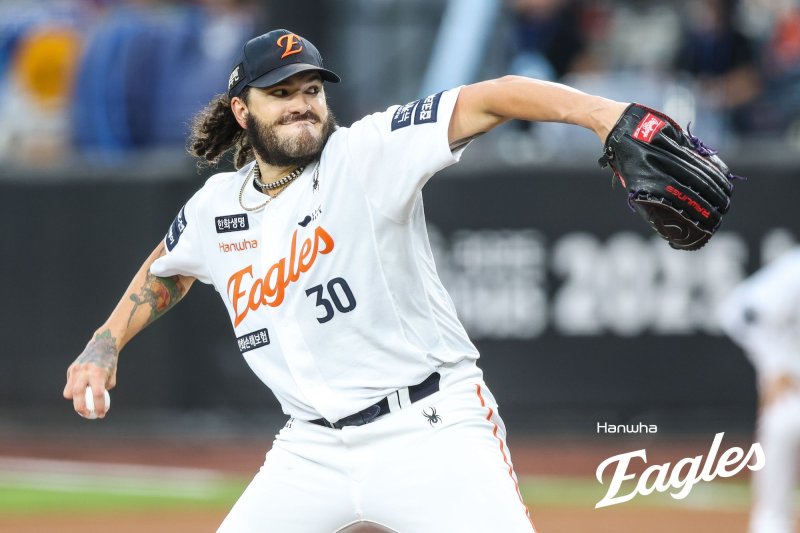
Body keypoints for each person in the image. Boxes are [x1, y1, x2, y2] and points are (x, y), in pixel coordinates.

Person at [63, 28, 627, 532]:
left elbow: (492, 97)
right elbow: (168, 269)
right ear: (242, 111)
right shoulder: (217, 206)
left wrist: (604, 116)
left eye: (311, 90)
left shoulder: (366, 154)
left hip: (428, 428)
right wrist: (103, 344)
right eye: (280, 93)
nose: (301, 105)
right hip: (310, 448)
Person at [719, 248, 800, 533]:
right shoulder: (795, 271)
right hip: (793, 393)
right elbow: (740, 312)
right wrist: (774, 367)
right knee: (773, 510)